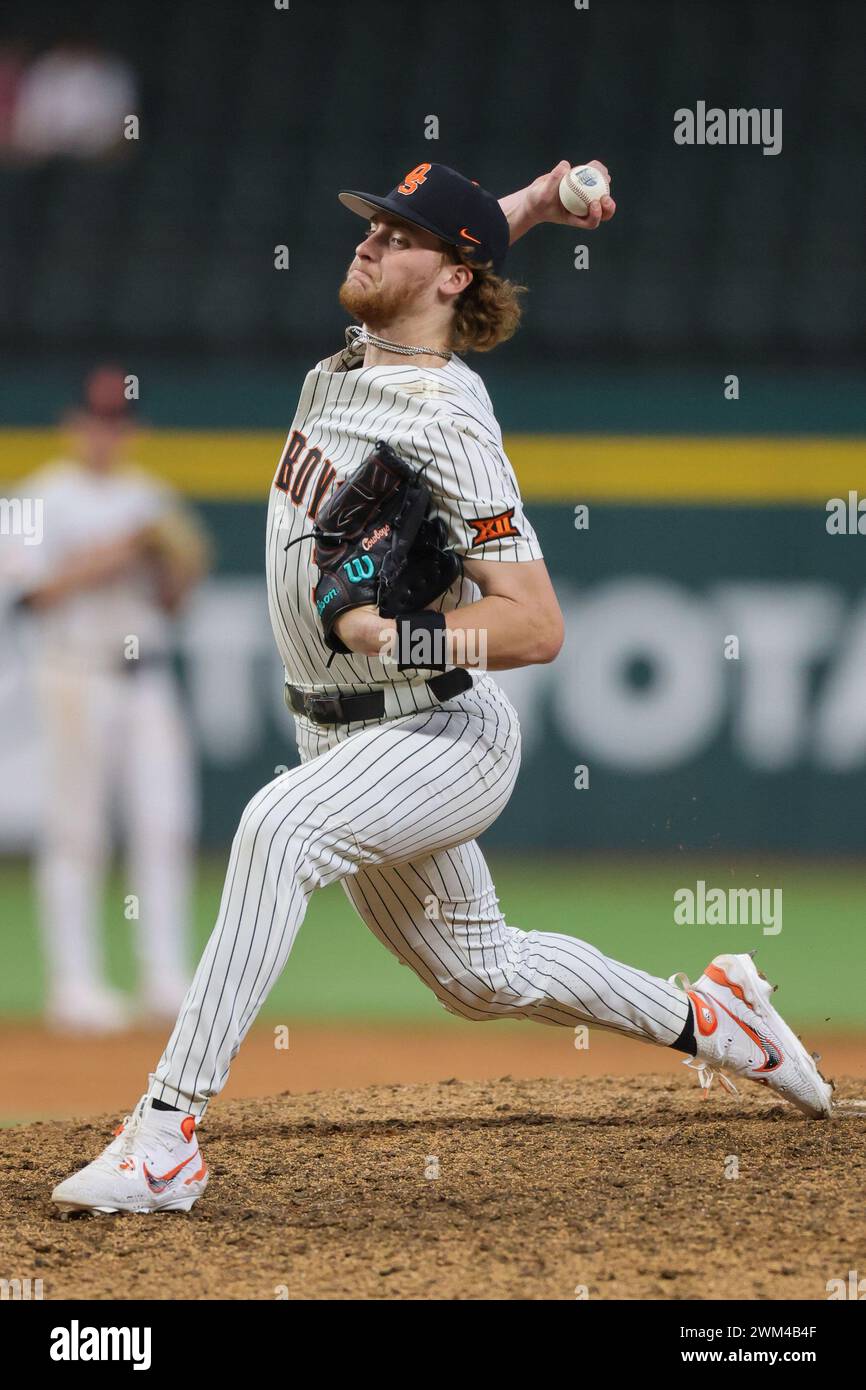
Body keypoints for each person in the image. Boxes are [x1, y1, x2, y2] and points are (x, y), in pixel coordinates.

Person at [50, 162, 832, 1215]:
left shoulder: (447, 419)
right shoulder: (360, 354)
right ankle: (716, 1014)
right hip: (338, 737)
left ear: (452, 279)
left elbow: (537, 622)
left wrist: (397, 629)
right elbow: (466, 236)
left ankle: (164, 1134)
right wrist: (540, 200)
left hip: (437, 732)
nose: (369, 240)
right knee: (480, 974)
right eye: (373, 222)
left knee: (278, 830)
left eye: (397, 234)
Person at [3, 366, 209, 1032]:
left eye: (115, 422)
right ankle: (75, 984)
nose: (104, 433)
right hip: (74, 674)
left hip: (147, 676)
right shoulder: (37, 499)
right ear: (71, 425)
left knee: (164, 826)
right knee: (76, 833)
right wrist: (116, 552)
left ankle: (164, 979)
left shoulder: (151, 497)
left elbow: (174, 602)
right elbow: (29, 598)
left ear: (131, 430)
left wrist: (173, 567)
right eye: (94, 420)